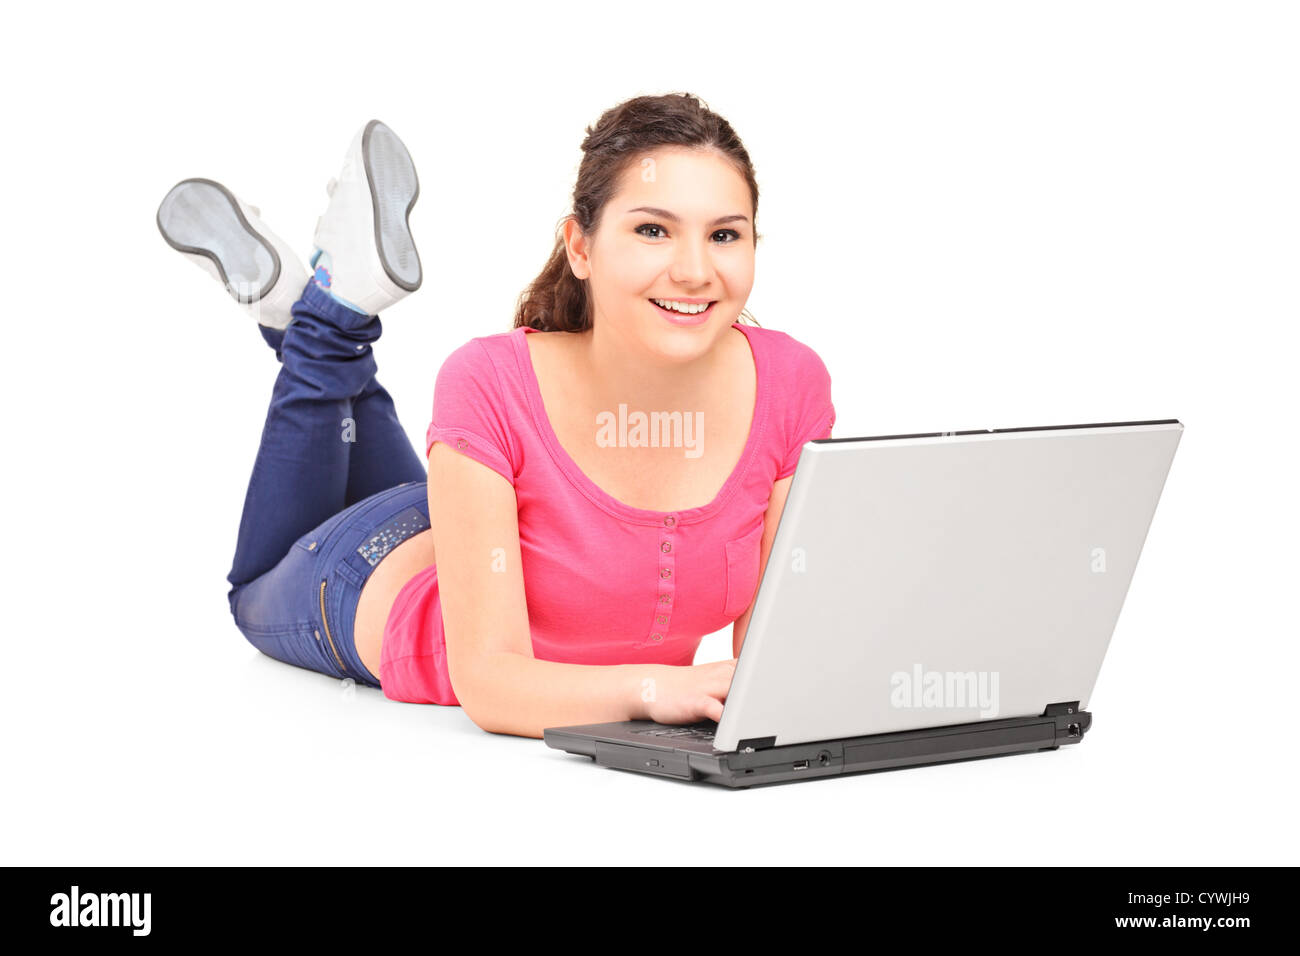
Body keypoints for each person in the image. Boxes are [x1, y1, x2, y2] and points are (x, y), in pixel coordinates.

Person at [156, 93, 835, 739]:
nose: (694, 270)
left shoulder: (790, 384)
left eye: (724, 235)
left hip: (470, 516)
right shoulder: (491, 380)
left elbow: (775, 664)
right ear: (581, 248)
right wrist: (655, 690)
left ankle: (324, 313)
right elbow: (489, 685)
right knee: (252, 590)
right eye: (653, 229)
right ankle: (325, 322)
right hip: (360, 576)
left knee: (338, 382)